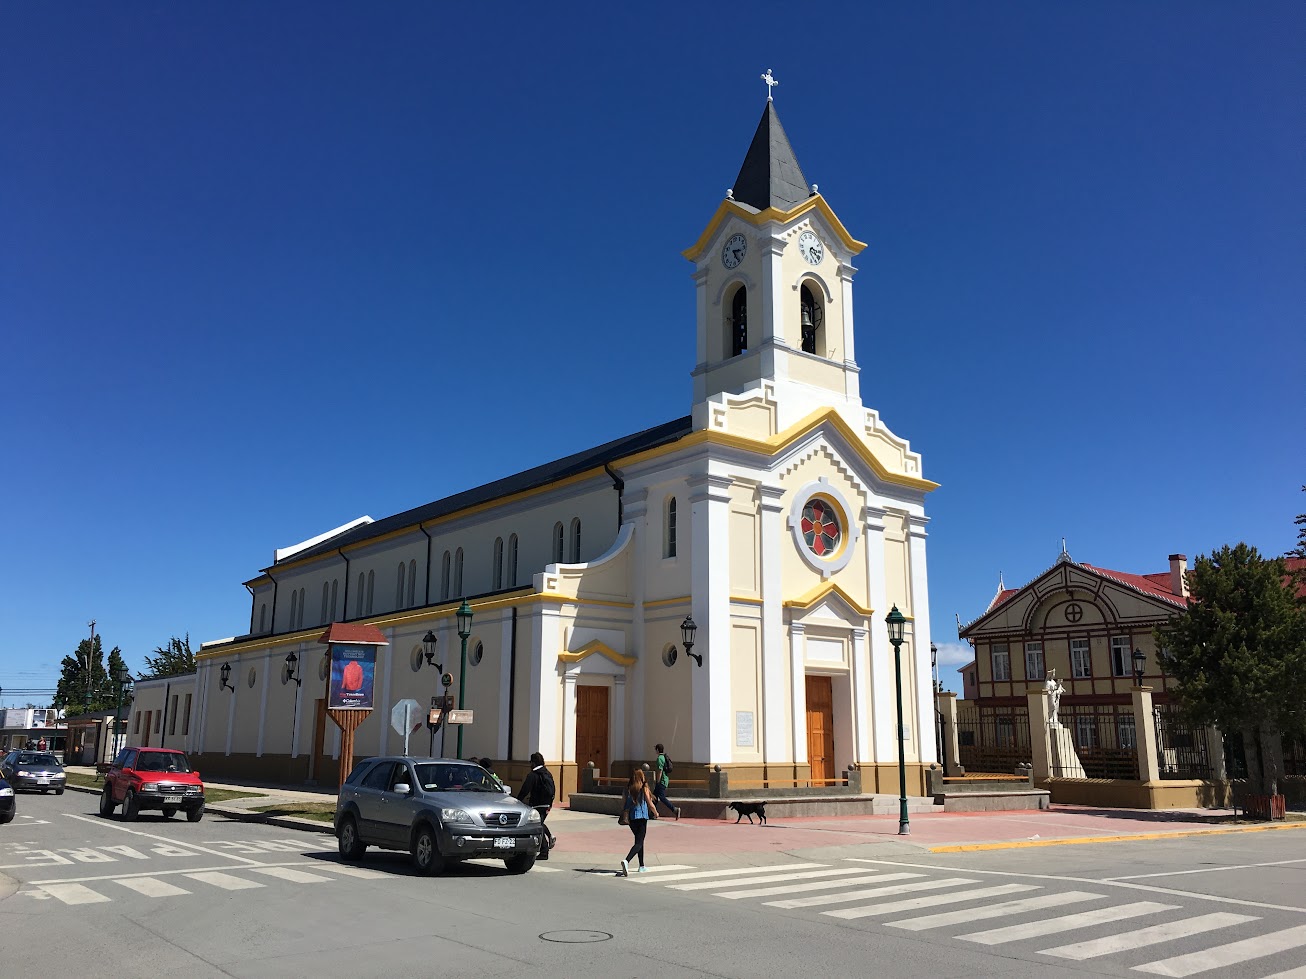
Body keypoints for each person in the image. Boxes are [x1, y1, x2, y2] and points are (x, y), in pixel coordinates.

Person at [619, 769, 658, 876]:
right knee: (639, 842)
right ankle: (626, 861)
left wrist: (623, 812)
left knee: (639, 841)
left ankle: (641, 866)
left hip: (630, 818)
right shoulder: (643, 787)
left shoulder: (628, 788)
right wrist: (656, 812)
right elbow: (650, 803)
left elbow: (622, 803)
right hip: (641, 817)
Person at [516, 752, 557, 855]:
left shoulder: (533, 775)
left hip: (537, 804)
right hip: (547, 804)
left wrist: (517, 801)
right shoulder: (547, 773)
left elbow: (525, 790)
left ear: (533, 763)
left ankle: (544, 850)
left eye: (531, 762)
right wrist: (550, 804)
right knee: (540, 823)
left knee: (537, 825)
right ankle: (549, 838)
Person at [651, 743, 681, 820]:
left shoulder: (659, 758)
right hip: (665, 780)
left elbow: (660, 771)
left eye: (656, 749)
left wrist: (657, 781)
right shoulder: (664, 757)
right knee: (654, 797)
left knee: (662, 797)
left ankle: (675, 809)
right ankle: (653, 814)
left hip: (661, 781)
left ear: (657, 750)